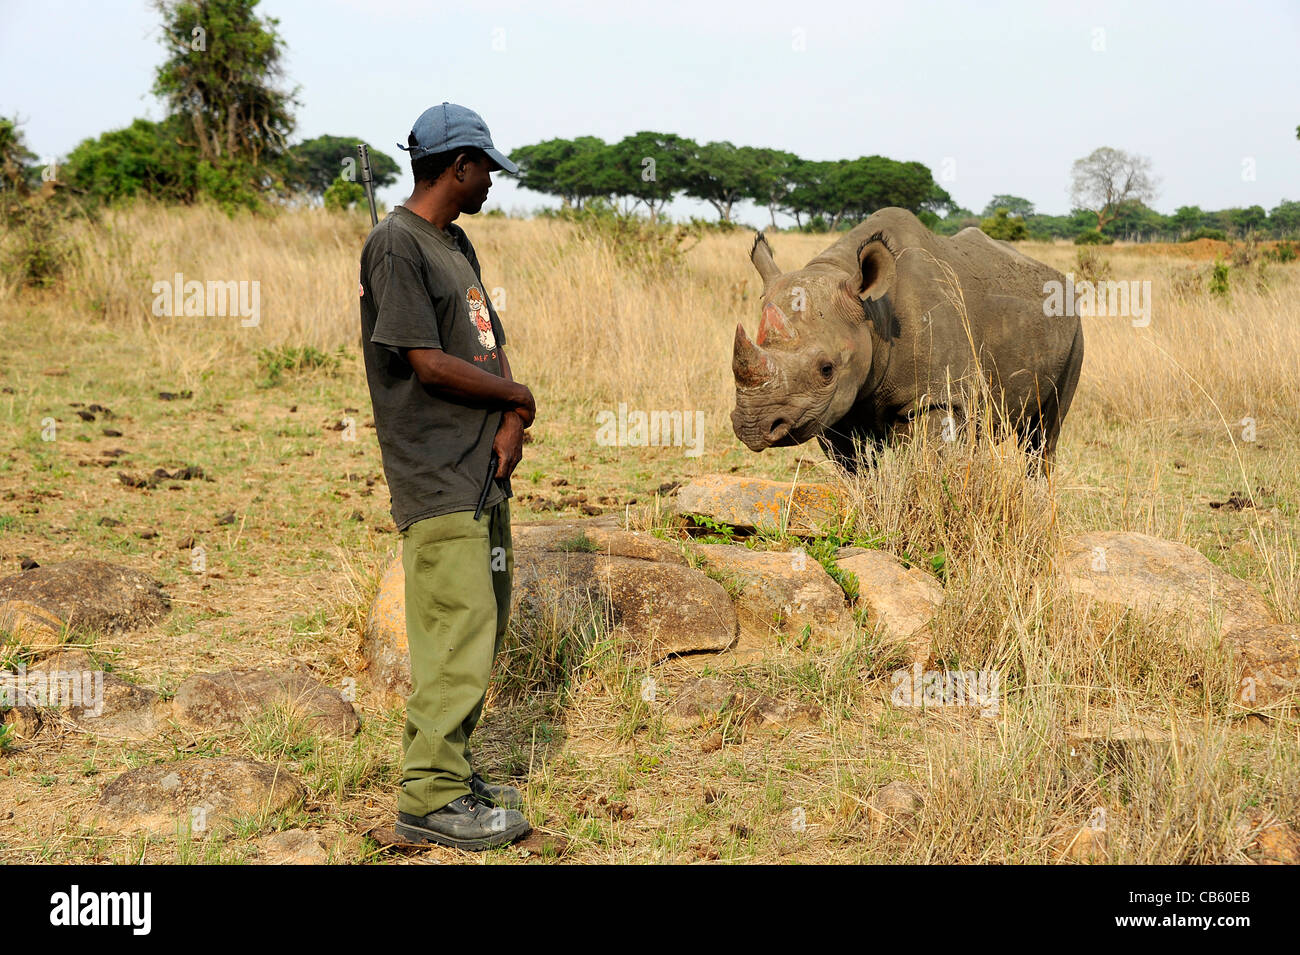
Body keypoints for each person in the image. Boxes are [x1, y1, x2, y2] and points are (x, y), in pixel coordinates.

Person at [358, 103, 535, 850]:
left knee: (479, 629)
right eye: (485, 165)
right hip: (436, 477)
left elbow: (482, 348)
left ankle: (451, 773)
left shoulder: (453, 243)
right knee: (452, 637)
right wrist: (518, 397)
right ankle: (428, 797)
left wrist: (510, 420)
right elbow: (425, 362)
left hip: (480, 471)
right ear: (457, 166)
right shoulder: (397, 245)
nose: (492, 178)